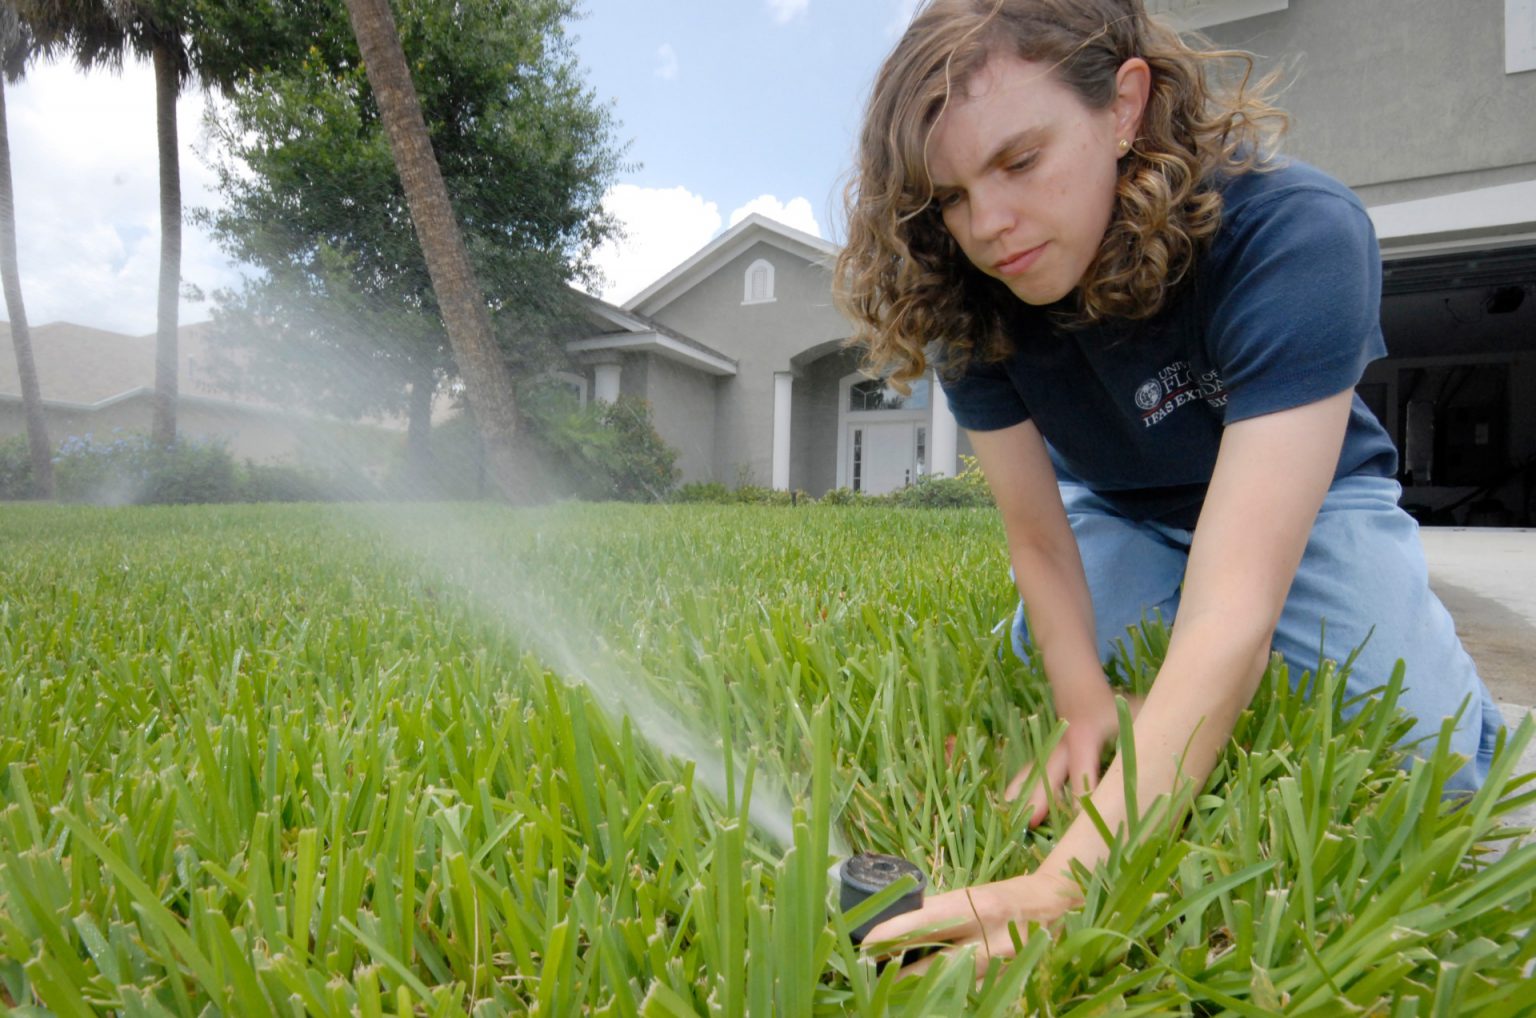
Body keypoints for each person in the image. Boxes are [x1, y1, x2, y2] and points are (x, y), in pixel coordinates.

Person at [833, 0, 1505, 973]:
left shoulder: (1295, 233)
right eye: (951, 196)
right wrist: (1079, 703)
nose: (989, 226)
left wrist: (1070, 878)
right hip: (1120, 510)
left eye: (1019, 162)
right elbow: (1037, 535)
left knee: (1432, 769)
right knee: (1097, 651)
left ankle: (1426, 659)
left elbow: (1233, 604)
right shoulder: (964, 298)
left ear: (1123, 106)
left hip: (1312, 507)